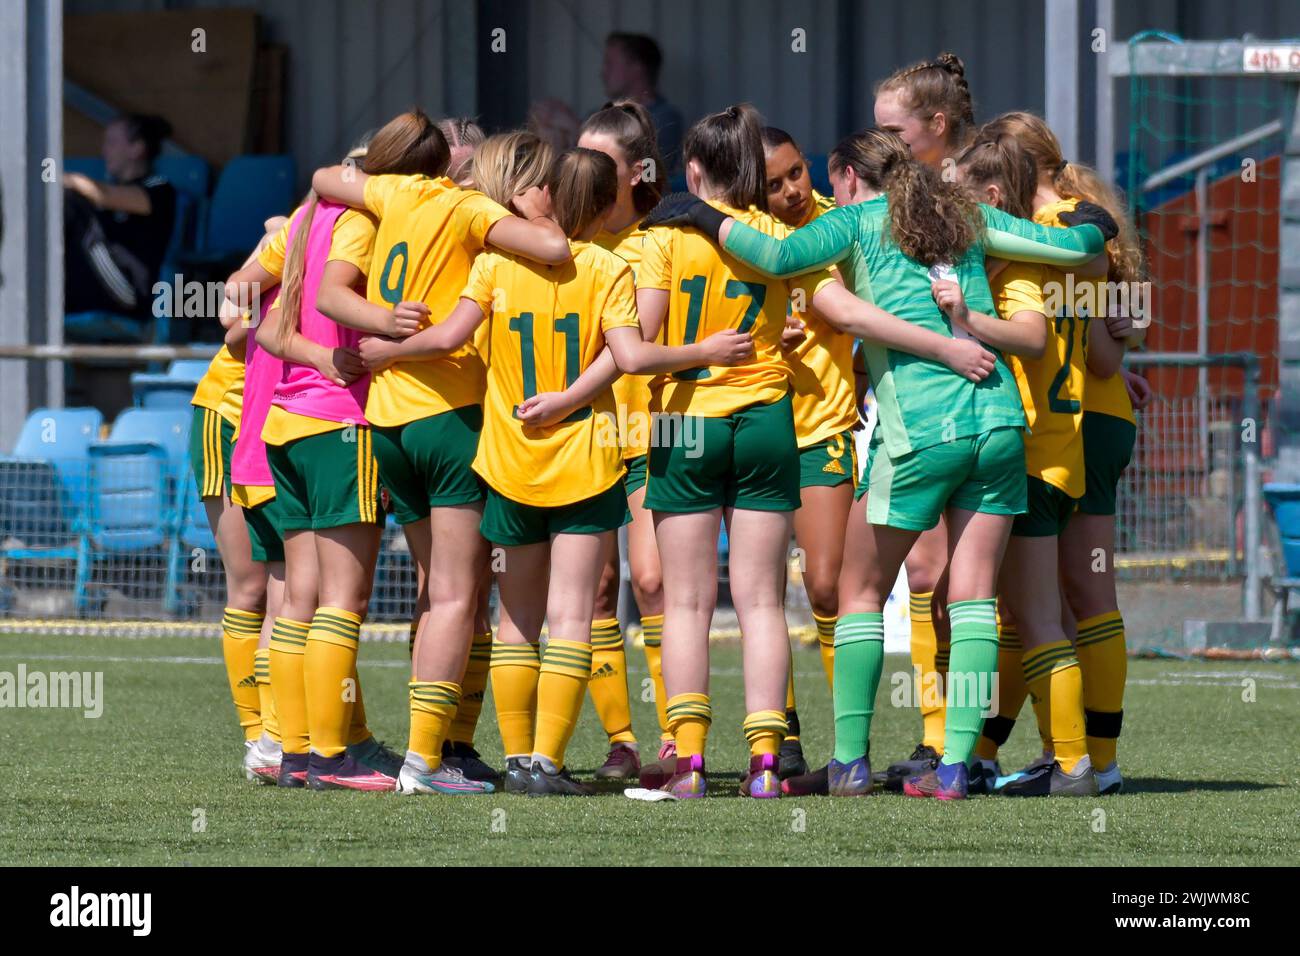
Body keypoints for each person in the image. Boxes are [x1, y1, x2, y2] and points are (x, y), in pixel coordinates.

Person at [643, 125, 1117, 798]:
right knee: (976, 598)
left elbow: (774, 257)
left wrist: (699, 212)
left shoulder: (857, 223)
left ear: (845, 179)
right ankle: (955, 766)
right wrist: (1096, 225)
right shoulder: (968, 215)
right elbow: (1070, 246)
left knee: (861, 592)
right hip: (1001, 422)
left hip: (921, 431)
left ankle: (848, 760)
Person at [365, 147, 749, 795]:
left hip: (509, 460)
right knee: (572, 615)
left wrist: (383, 349)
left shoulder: (493, 266)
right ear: (604, 208)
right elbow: (629, 358)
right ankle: (546, 763)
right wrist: (702, 352)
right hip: (586, 459)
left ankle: (511, 760)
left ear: (543, 197)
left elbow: (449, 337)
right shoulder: (607, 267)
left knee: (516, 619)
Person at [311, 120, 571, 794]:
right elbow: (550, 244)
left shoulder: (395, 196)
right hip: (449, 416)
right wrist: (533, 209)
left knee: (436, 593)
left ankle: (440, 749)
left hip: (389, 419)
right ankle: (424, 762)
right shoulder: (468, 208)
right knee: (460, 595)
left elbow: (323, 177)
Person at [973, 111, 1148, 797]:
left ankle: (1067, 759)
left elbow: (1090, 349)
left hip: (1056, 429)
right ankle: (1074, 758)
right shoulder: (1091, 224)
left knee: (1043, 605)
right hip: (1089, 421)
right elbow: (1111, 347)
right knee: (1059, 603)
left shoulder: (1045, 232)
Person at [952, 129, 1098, 796]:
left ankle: (1073, 764)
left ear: (989, 195)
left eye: (958, 196)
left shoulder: (1026, 256)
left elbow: (1033, 339)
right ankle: (983, 752)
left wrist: (966, 321)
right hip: (1058, 452)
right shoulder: (1044, 248)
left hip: (1035, 456)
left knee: (1037, 618)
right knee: (1022, 618)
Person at [761, 125, 854, 781]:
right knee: (762, 592)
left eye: (796, 172)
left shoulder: (840, 228)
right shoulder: (740, 241)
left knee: (826, 586)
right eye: (773, 183)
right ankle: (781, 738)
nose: (792, 189)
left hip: (823, 427)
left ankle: (850, 745)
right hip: (758, 429)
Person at [576, 100, 666, 783]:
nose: (585, 173)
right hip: (583, 435)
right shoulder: (560, 241)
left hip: (649, 430)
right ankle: (621, 740)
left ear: (638, 171)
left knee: (654, 581)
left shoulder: (669, 235)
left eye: (601, 162)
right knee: (597, 590)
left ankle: (674, 736)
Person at [63, 114, 176, 325]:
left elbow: (103, 195)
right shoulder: (108, 189)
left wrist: (66, 180)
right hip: (89, 286)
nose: (104, 151)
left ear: (137, 149)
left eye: (112, 142)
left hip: (128, 293)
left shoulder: (159, 188)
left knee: (72, 203)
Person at [602, 33, 683, 170]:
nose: (603, 72)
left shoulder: (665, 119)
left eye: (610, 64)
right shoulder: (603, 114)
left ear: (637, 67)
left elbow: (649, 175)